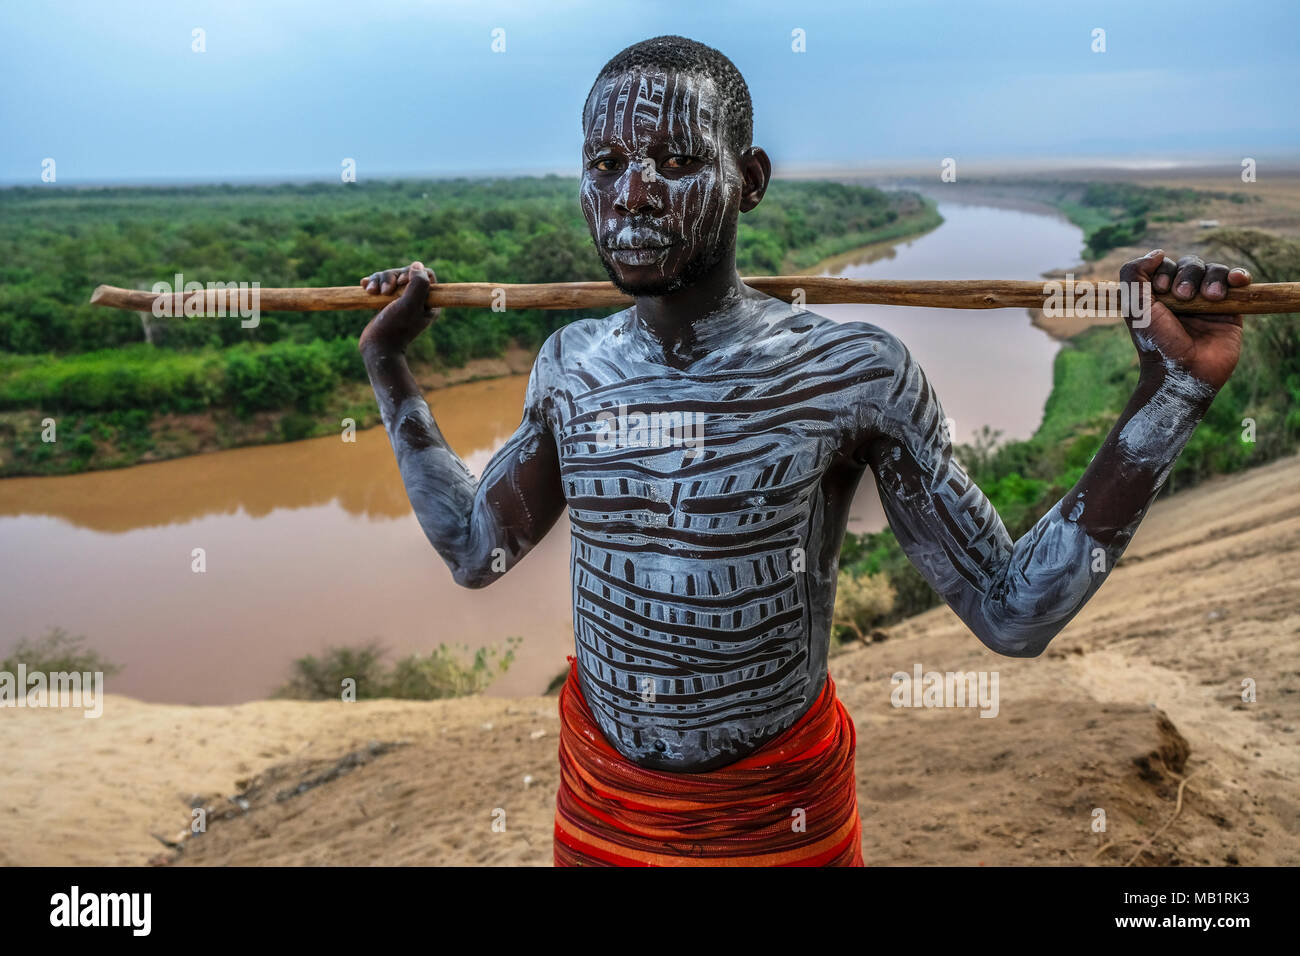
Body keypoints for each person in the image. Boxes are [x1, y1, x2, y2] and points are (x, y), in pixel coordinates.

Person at [356, 35, 1252, 866]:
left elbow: (1014, 611)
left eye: (674, 161)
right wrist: (387, 366)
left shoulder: (849, 374)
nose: (631, 193)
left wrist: (1171, 394)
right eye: (605, 163)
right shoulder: (570, 367)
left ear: (748, 179)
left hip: (776, 818)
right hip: (600, 807)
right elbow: (477, 552)